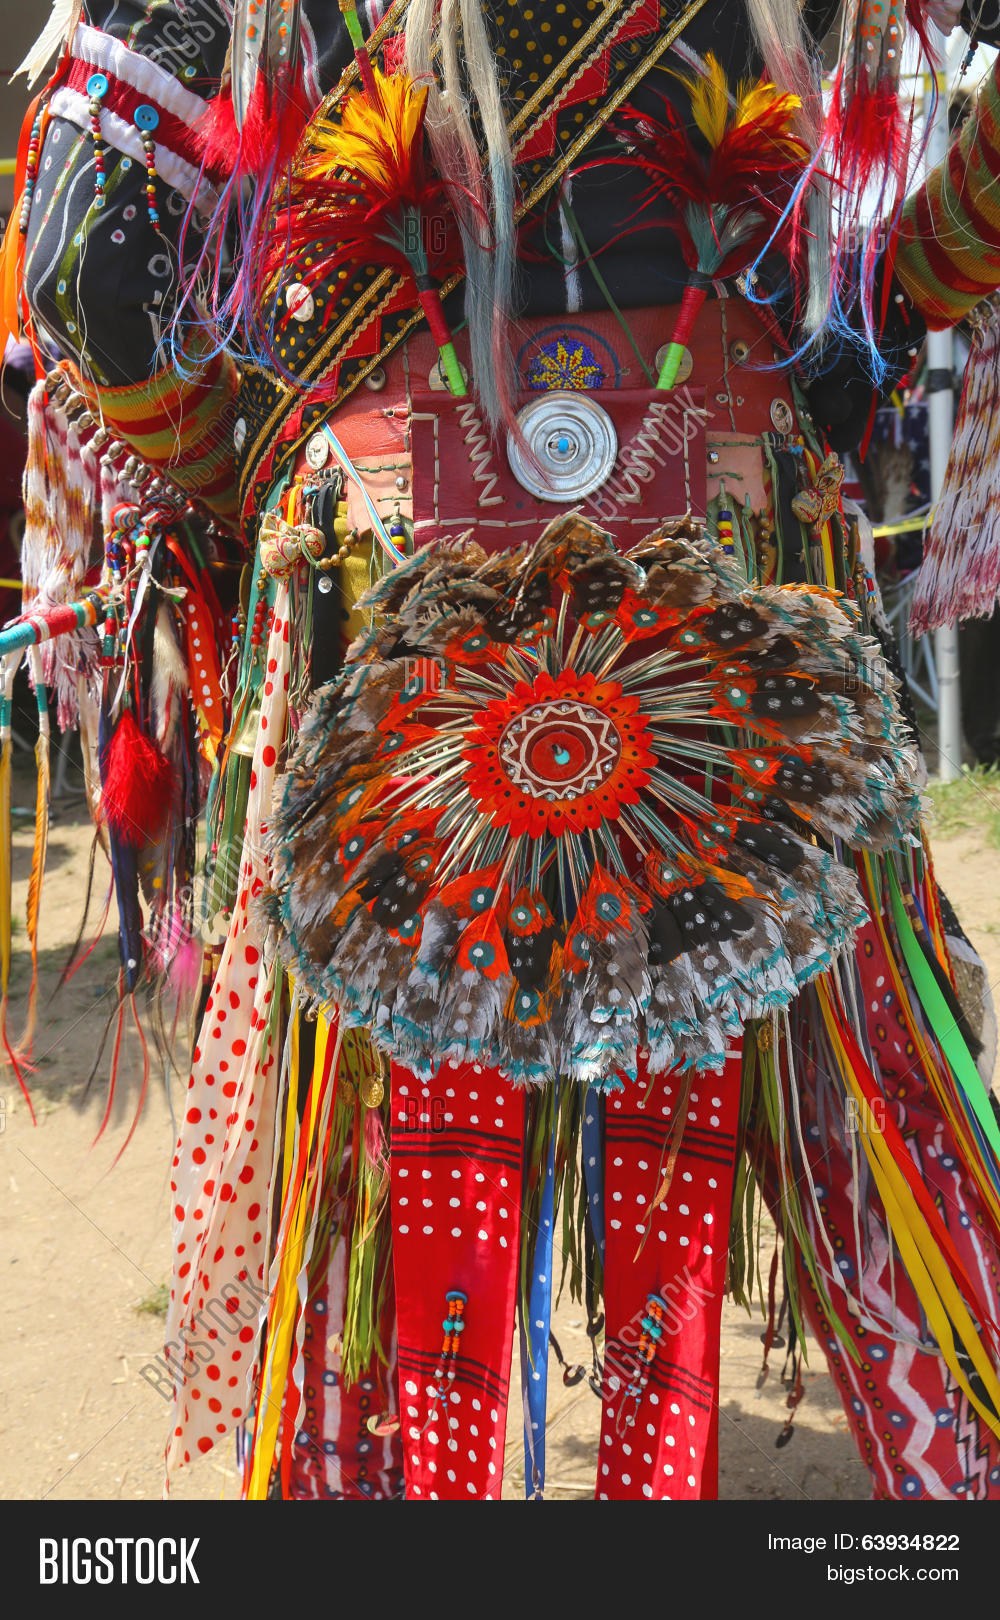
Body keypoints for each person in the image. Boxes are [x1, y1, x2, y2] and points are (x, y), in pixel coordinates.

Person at [9, 0, 1000, 1502]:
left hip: (387, 578)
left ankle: (378, 1477)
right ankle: (951, 1455)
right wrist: (860, 332)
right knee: (851, 1076)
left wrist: (259, 469)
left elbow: (90, 258)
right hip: (733, 537)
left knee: (380, 1102)